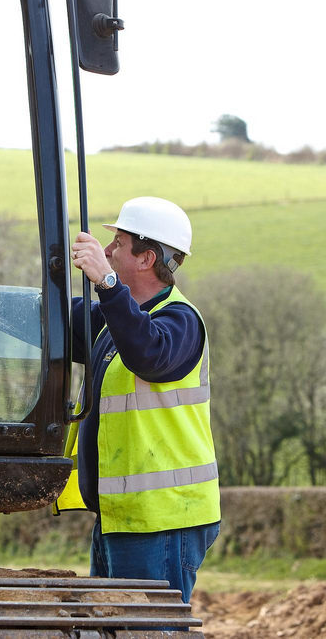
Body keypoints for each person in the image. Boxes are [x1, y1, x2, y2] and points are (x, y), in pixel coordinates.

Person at [54, 196, 220, 606]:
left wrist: (107, 283)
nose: (107, 252)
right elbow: (48, 318)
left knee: (149, 632)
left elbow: (147, 353)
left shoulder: (180, 321)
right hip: (122, 516)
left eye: (118, 244)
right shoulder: (116, 321)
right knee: (117, 629)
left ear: (146, 258)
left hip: (164, 520)